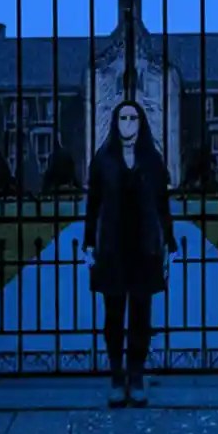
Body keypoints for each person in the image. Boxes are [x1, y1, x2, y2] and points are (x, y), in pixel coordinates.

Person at [82, 99, 178, 407]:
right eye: (122, 117)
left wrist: (170, 244)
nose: (127, 123)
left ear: (141, 123)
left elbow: (163, 206)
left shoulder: (152, 160)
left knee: (140, 312)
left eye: (133, 118)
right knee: (113, 313)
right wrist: (88, 244)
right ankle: (116, 374)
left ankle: (136, 374)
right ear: (115, 122)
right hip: (112, 246)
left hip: (144, 247)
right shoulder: (103, 160)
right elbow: (92, 206)